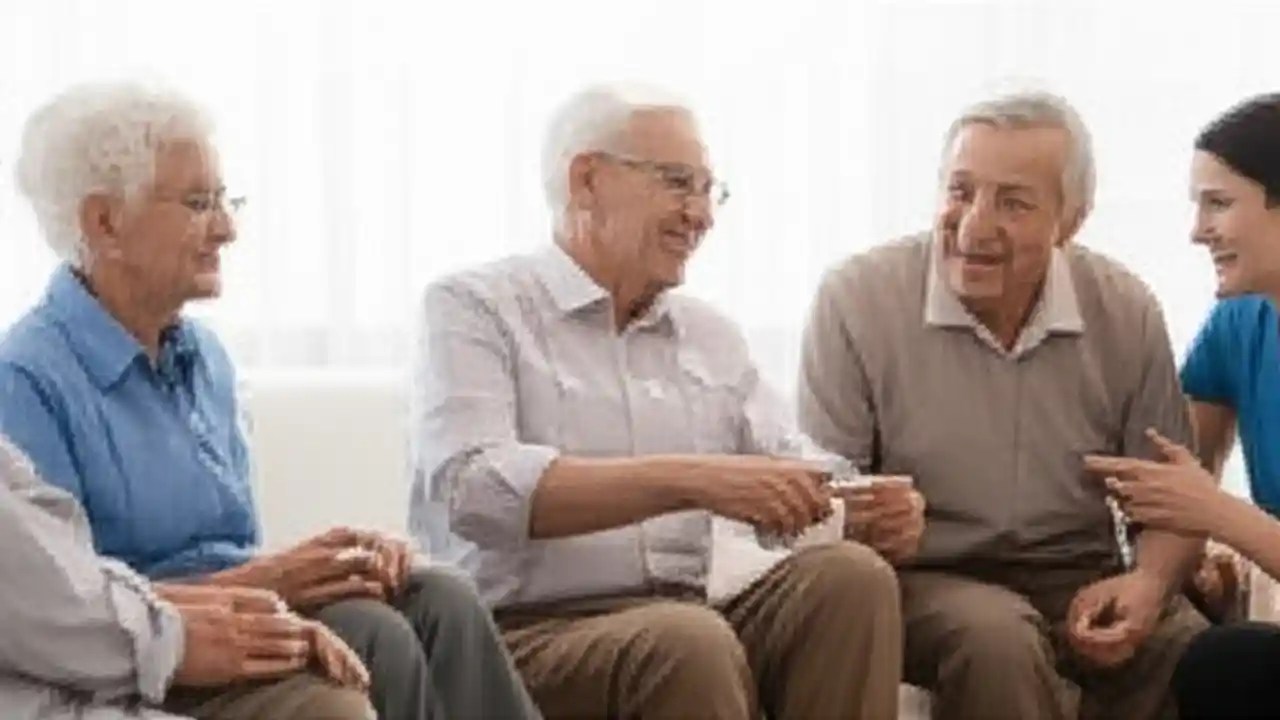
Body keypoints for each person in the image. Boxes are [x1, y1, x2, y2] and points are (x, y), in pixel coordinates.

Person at [0, 81, 538, 720]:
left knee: (439, 594)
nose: (226, 228)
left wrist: (335, 560)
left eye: (226, 199)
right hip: (153, 656)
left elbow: (232, 546)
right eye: (199, 203)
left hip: (239, 615)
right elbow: (63, 610)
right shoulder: (24, 377)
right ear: (105, 222)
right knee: (376, 634)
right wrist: (269, 581)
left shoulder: (204, 356)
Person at [410, 83, 915, 720]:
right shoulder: (474, 306)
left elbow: (788, 462)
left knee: (850, 579)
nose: (700, 214)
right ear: (586, 180)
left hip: (686, 616)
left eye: (709, 190)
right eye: (678, 183)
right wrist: (691, 480)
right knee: (686, 641)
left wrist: (859, 504)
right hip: (523, 634)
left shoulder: (711, 335)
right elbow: (473, 489)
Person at [797, 90, 1208, 720]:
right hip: (927, 577)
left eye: (1012, 202)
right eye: (960, 191)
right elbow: (817, 504)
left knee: (1198, 653)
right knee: (999, 641)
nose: (973, 226)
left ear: (1071, 220)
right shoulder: (856, 299)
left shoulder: (1125, 307)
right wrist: (865, 513)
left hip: (1079, 570)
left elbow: (1175, 502)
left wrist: (1148, 584)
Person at [1083, 93, 1280, 719]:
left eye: (1219, 203)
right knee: (1216, 661)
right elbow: (1180, 478)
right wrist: (1150, 583)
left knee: (1232, 664)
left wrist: (1220, 515)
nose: (1197, 231)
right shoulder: (1239, 322)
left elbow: (1203, 502)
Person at [0, 433, 374, 720]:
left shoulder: (206, 362)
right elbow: (55, 599)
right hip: (100, 651)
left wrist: (233, 603)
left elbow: (69, 564)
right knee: (358, 655)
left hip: (136, 616)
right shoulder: (31, 372)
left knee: (417, 598)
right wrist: (176, 630)